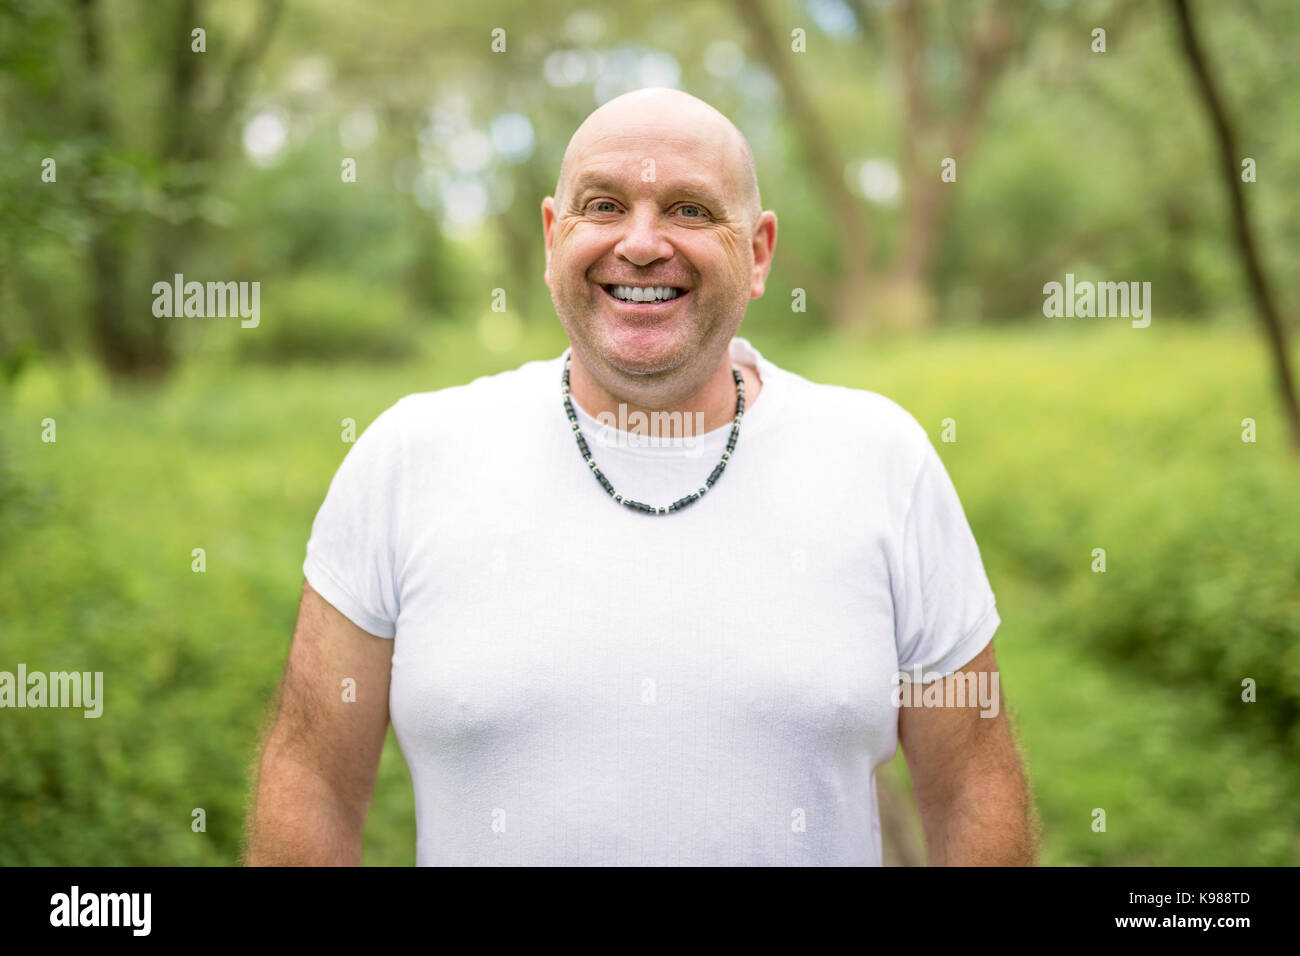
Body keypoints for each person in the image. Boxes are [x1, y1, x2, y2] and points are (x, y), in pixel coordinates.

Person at [245, 87, 1035, 866]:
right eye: (604, 205)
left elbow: (971, 787)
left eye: (690, 210)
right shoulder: (408, 458)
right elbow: (310, 777)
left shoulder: (883, 461)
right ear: (555, 236)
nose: (643, 244)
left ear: (758, 254)